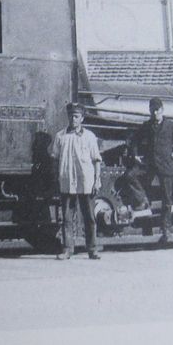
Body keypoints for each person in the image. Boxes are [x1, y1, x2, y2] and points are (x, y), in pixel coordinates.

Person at [129, 97, 173, 243]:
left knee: (167, 199)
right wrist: (135, 154)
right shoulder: (147, 126)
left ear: (162, 110)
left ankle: (166, 230)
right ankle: (143, 200)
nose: (155, 113)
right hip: (150, 165)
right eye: (152, 110)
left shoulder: (170, 126)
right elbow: (134, 139)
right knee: (130, 175)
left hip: (165, 166)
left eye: (157, 110)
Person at [49, 102, 102, 260]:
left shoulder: (89, 136)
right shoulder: (60, 136)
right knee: (66, 217)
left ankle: (92, 249)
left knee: (89, 217)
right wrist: (56, 179)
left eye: (76, 116)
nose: (73, 119)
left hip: (86, 182)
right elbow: (55, 159)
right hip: (67, 181)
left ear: (82, 118)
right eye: (71, 116)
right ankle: (67, 249)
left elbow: (96, 160)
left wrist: (97, 180)